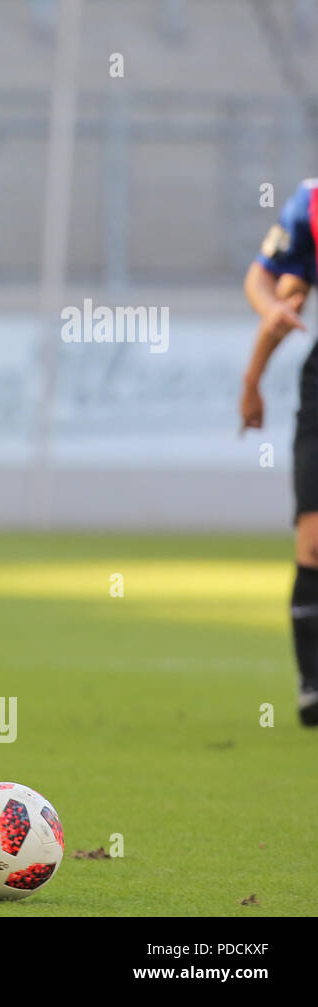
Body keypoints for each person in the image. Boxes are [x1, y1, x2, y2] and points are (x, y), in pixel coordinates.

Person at [241, 178, 318, 726]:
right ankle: (313, 684)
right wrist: (253, 378)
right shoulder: (311, 202)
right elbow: (270, 282)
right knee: (313, 542)